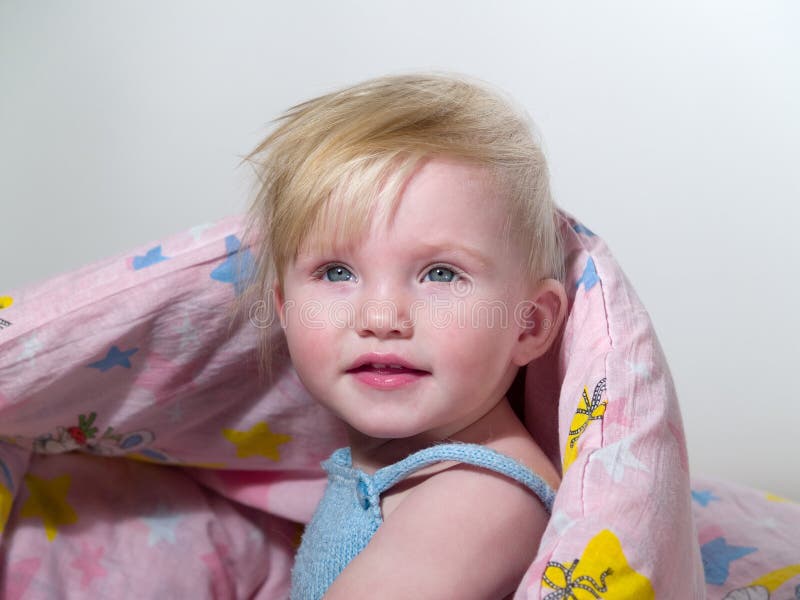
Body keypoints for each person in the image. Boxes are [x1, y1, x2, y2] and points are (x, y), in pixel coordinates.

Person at [242, 73, 568, 600]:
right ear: (284, 310)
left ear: (528, 323)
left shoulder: (478, 499)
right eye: (336, 272)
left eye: (441, 273)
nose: (381, 316)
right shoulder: (411, 464)